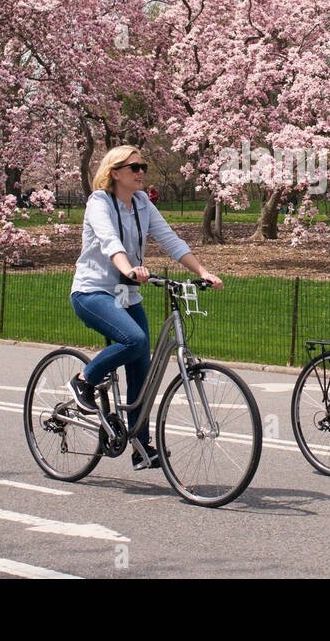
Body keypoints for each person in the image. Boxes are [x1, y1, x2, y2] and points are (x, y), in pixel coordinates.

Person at [67, 146, 223, 469]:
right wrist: (127, 268)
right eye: (134, 167)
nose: (141, 172)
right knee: (134, 340)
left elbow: (171, 240)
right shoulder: (99, 202)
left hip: (125, 293)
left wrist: (202, 272)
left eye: (143, 166)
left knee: (142, 364)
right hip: (93, 291)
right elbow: (110, 242)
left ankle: (139, 443)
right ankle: (84, 380)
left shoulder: (141, 204)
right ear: (115, 172)